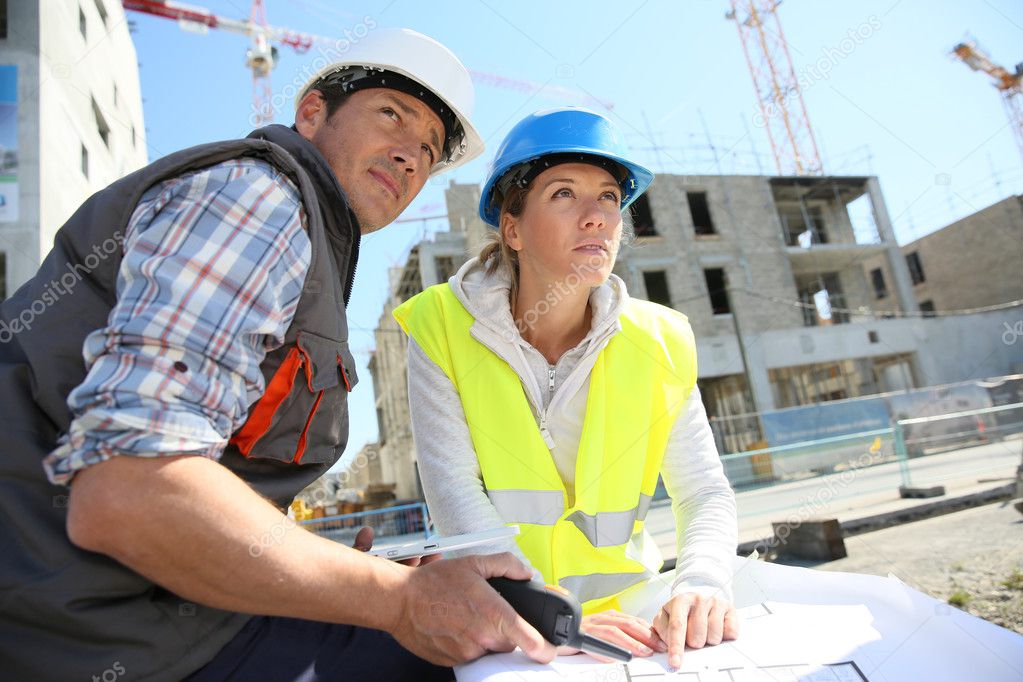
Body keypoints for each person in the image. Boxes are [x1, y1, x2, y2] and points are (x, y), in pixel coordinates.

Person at [0, 28, 556, 681]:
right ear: (312, 112)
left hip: (146, 614)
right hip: (101, 637)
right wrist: (396, 600)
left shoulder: (308, 241)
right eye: (391, 115)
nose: (411, 155)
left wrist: (343, 572)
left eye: (429, 151)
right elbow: (128, 490)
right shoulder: (259, 199)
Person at [395, 108, 740, 670]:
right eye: (563, 194)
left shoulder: (661, 340)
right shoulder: (440, 328)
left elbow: (704, 491)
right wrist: (548, 613)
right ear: (513, 229)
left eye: (608, 198)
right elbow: (455, 497)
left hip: (636, 624)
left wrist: (702, 581)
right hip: (505, 619)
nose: (596, 217)